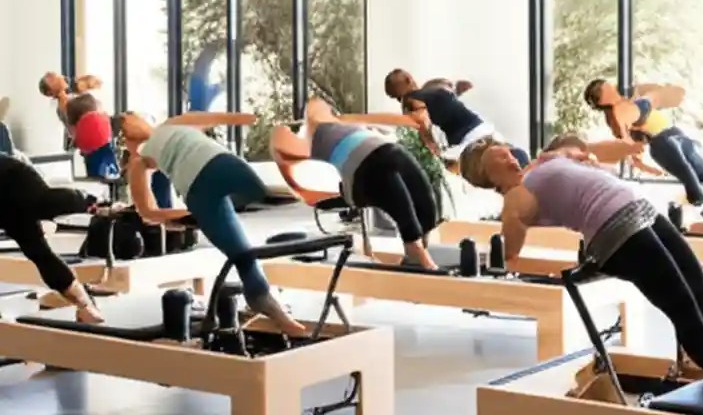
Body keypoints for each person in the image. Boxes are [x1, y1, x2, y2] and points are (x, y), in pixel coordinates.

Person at [460, 138, 703, 414]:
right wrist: (556, 273)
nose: (508, 157)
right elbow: (511, 256)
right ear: (489, 178)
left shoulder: (544, 162)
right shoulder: (516, 198)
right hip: (615, 233)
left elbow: (590, 149)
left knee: (699, 287)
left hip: (643, 210)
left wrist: (634, 143)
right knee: (680, 303)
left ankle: (695, 360)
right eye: (497, 160)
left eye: (505, 151)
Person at [121, 111, 307, 337]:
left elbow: (207, 117)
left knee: (260, 200)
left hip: (218, 167)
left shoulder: (167, 127)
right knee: (242, 251)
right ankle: (265, 302)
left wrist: (246, 118)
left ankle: (262, 296)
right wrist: (185, 215)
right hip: (202, 186)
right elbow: (147, 211)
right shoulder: (141, 158)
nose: (130, 129)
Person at [271, 98, 440, 269]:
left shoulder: (347, 124)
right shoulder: (308, 136)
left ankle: (416, 253)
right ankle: (417, 253)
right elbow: (290, 154)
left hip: (391, 151)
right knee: (402, 208)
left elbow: (387, 129)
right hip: (363, 168)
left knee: (427, 206)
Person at [583, 79, 703, 232]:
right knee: (689, 177)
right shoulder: (618, 113)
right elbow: (628, 146)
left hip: (674, 133)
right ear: (603, 98)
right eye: (607, 87)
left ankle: (677, 209)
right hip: (662, 140)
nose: (612, 87)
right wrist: (646, 166)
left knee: (702, 173)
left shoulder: (628, 100)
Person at [39, 71, 174, 208]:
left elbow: (97, 89)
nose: (62, 77)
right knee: (106, 185)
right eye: (55, 78)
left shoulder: (75, 97)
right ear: (50, 91)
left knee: (119, 179)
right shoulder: (65, 105)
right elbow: (75, 131)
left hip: (106, 139)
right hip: (97, 145)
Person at [0, 155, 104, 323]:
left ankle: (93, 202)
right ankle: (85, 305)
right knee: (38, 251)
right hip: (7, 201)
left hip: (10, 178)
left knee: (42, 204)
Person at [384, 70, 530, 169]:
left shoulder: (410, 101)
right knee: (513, 158)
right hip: (481, 126)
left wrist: (434, 153)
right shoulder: (435, 87)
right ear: (410, 78)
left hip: (469, 139)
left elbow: (422, 125)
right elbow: (458, 88)